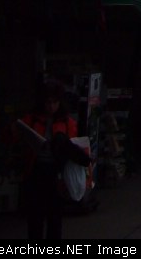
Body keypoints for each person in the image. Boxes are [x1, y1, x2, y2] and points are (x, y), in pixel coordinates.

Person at [17, 79, 89, 241]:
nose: (51, 106)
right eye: (48, 102)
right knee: (35, 218)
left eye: (54, 102)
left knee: (54, 218)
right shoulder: (32, 119)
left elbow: (74, 145)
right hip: (36, 171)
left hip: (56, 173)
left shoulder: (67, 122)